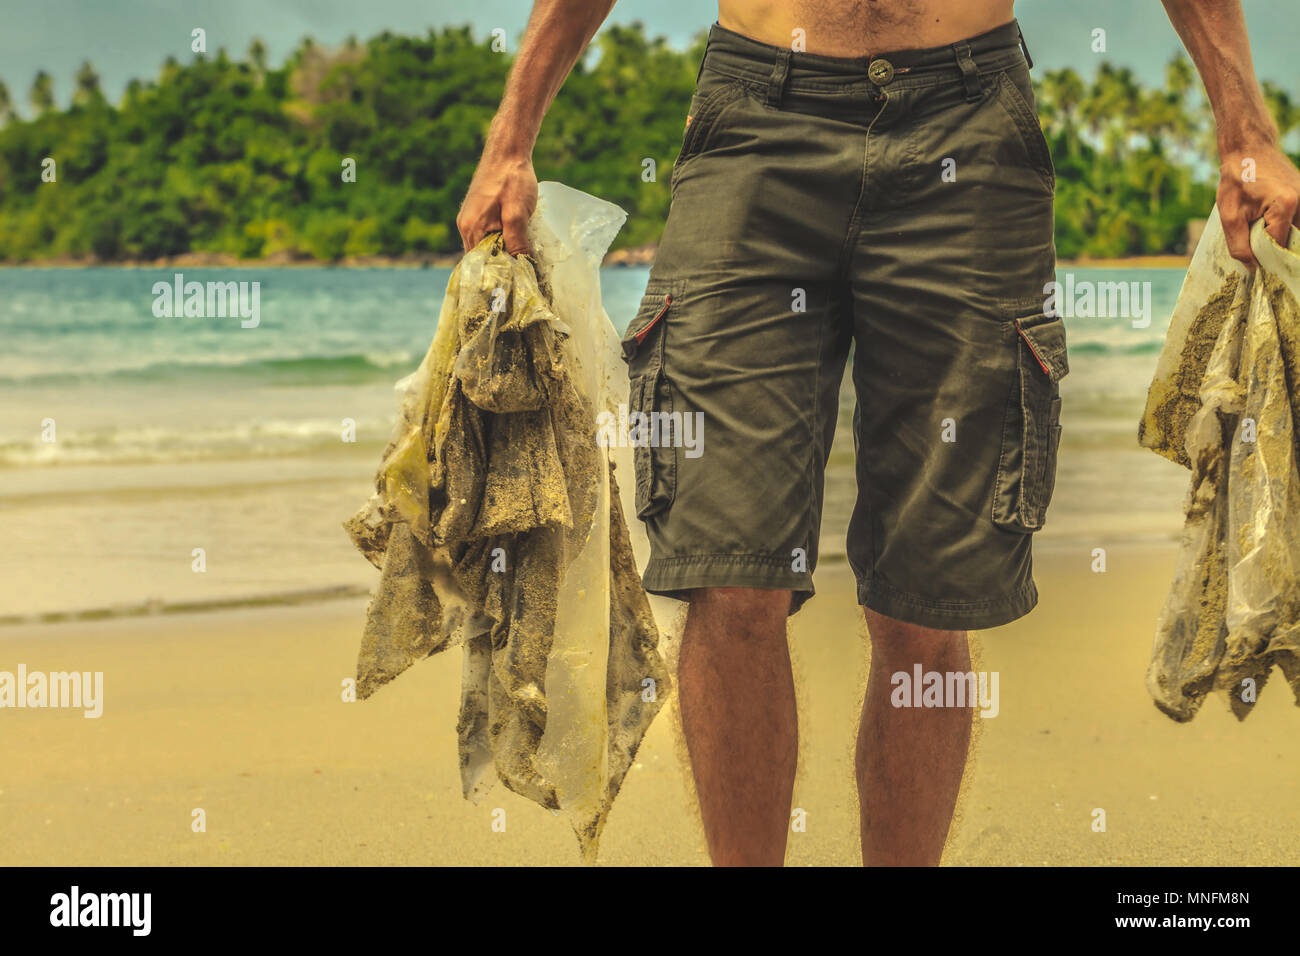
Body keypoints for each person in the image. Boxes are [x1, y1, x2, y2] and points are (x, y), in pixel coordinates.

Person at [456, 0, 1300, 866]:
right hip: (756, 120)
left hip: (967, 125)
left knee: (925, 602)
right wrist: (511, 138)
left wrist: (1246, 131)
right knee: (728, 574)